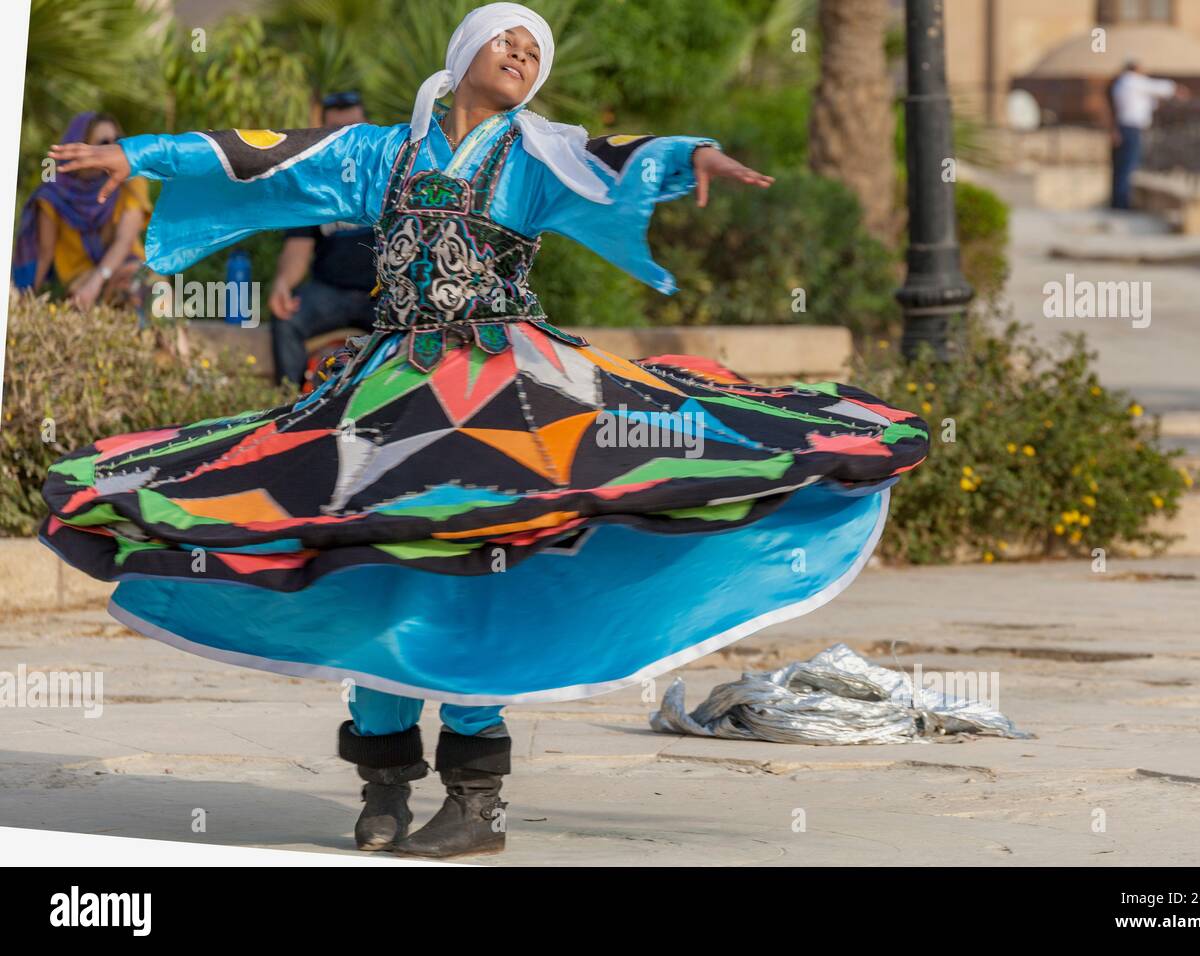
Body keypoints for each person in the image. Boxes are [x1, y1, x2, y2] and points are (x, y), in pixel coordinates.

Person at [38, 2, 929, 860]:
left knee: (477, 566)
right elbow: (265, 155)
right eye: (506, 39)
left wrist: (686, 154)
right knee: (372, 563)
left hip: (508, 389)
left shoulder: (535, 155)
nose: (522, 54)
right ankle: (383, 784)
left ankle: (475, 801)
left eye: (535, 51)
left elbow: (607, 157)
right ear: (464, 51)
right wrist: (141, 157)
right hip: (387, 386)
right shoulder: (380, 154)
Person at [269, 91, 380, 388]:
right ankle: (287, 405)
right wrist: (283, 283)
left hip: (383, 293)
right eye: (335, 132)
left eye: (353, 131)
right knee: (287, 318)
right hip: (330, 291)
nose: (345, 140)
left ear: (367, 126)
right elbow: (298, 245)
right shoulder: (312, 183)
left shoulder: (388, 169)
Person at [12, 112, 151, 309]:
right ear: (79, 145)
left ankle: (173, 338)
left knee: (147, 289)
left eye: (117, 141)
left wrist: (96, 282)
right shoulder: (53, 194)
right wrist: (24, 302)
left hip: (125, 266)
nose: (112, 149)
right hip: (81, 278)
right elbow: (44, 254)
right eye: (104, 143)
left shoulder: (130, 181)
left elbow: (124, 241)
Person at [1107, 59, 1190, 210]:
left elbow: (1148, 102)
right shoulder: (1131, 81)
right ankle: (1122, 203)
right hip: (1131, 128)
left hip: (1124, 127)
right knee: (1128, 165)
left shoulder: (1121, 84)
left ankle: (1118, 201)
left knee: (1121, 166)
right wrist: (1176, 89)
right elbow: (1158, 87)